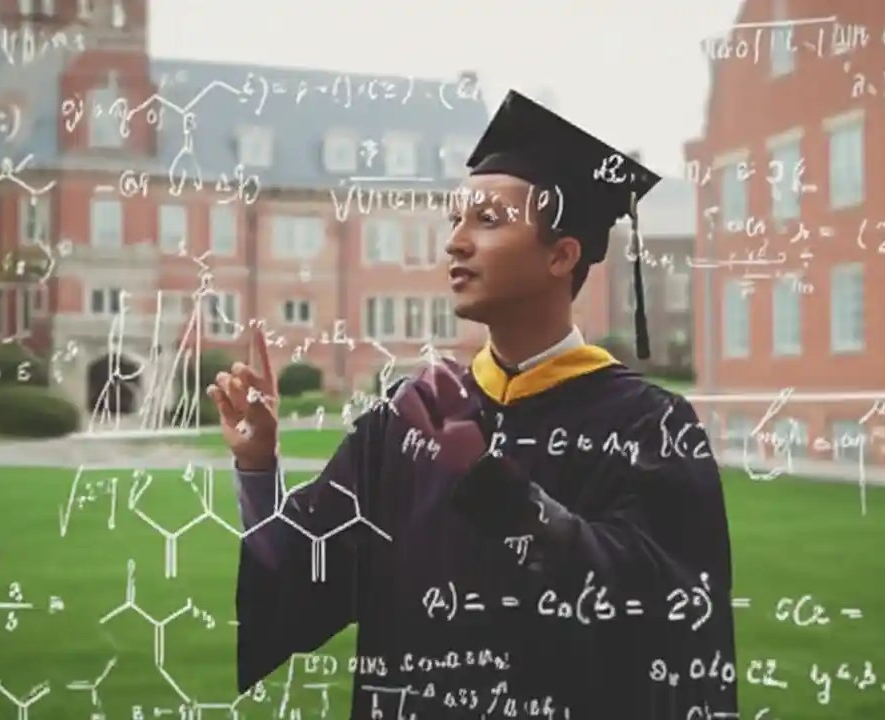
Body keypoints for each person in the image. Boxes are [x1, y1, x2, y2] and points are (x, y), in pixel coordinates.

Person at [209, 90, 738, 719]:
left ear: (561, 255)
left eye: (487, 221)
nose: (455, 243)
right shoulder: (407, 418)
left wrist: (495, 485)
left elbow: (664, 612)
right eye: (455, 221)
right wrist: (258, 466)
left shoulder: (650, 427)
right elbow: (304, 574)